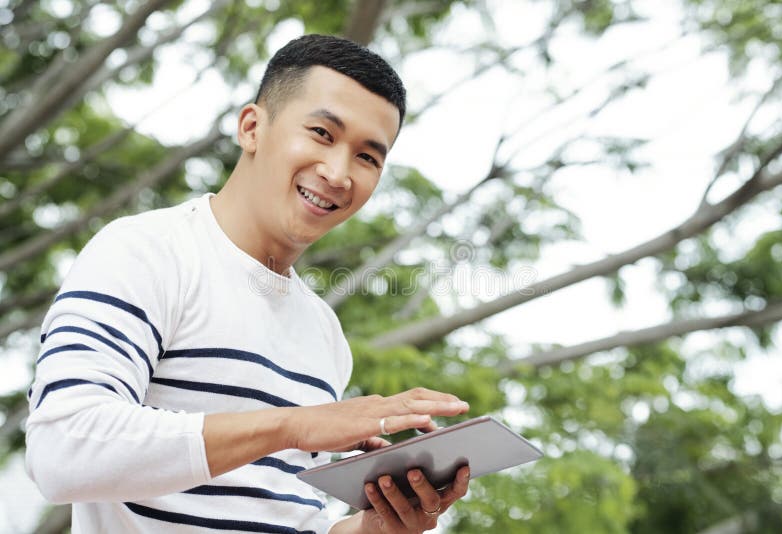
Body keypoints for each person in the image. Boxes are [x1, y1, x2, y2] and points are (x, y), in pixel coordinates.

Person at [25, 34, 471, 533]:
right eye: (322, 133)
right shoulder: (146, 251)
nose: (339, 173)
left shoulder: (324, 334)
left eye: (368, 157)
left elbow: (284, 518)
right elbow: (62, 448)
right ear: (252, 127)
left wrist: (377, 525)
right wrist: (294, 426)